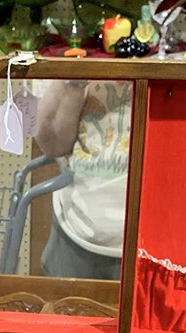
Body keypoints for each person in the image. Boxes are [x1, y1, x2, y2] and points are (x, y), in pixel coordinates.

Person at [35, 79, 132, 281]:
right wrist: (74, 80)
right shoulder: (79, 53)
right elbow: (52, 144)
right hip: (75, 230)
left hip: (158, 241)